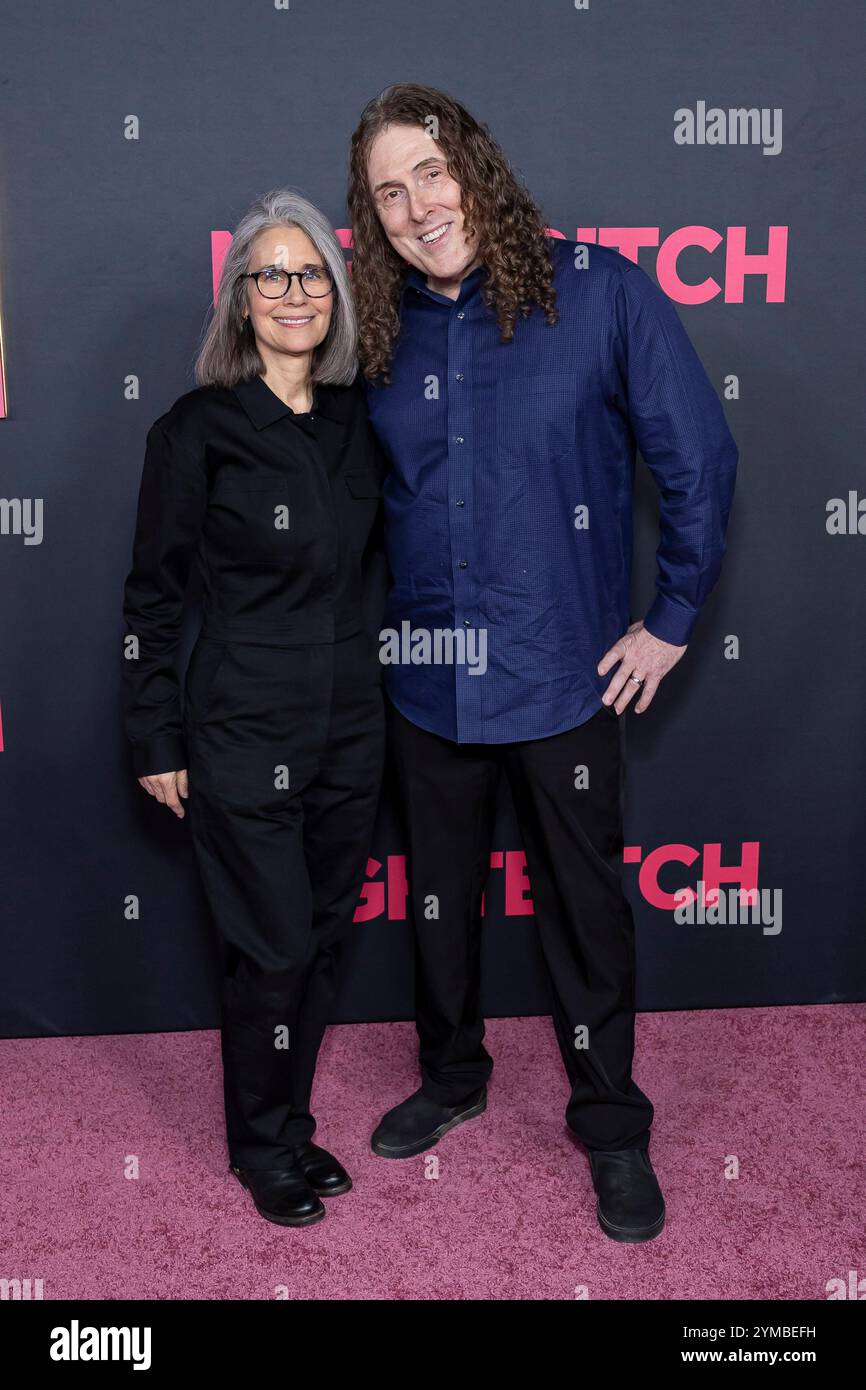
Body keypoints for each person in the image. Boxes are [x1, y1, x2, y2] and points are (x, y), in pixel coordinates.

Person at [348, 85, 738, 1243]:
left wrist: (669, 617)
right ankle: (453, 1074)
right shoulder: (376, 330)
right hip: (424, 679)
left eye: (429, 171)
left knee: (581, 913)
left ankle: (609, 1122)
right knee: (435, 902)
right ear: (370, 218)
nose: (417, 206)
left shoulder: (603, 291)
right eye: (386, 191)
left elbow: (698, 458)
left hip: (565, 677)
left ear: (473, 166)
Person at [121, 188, 385, 1227]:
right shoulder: (195, 432)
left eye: (310, 271)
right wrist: (153, 731)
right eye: (269, 273)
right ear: (238, 299)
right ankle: (262, 1143)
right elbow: (150, 595)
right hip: (238, 725)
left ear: (335, 292)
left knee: (318, 937)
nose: (292, 290)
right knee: (271, 945)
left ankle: (290, 1120)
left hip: (351, 723)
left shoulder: (360, 421)